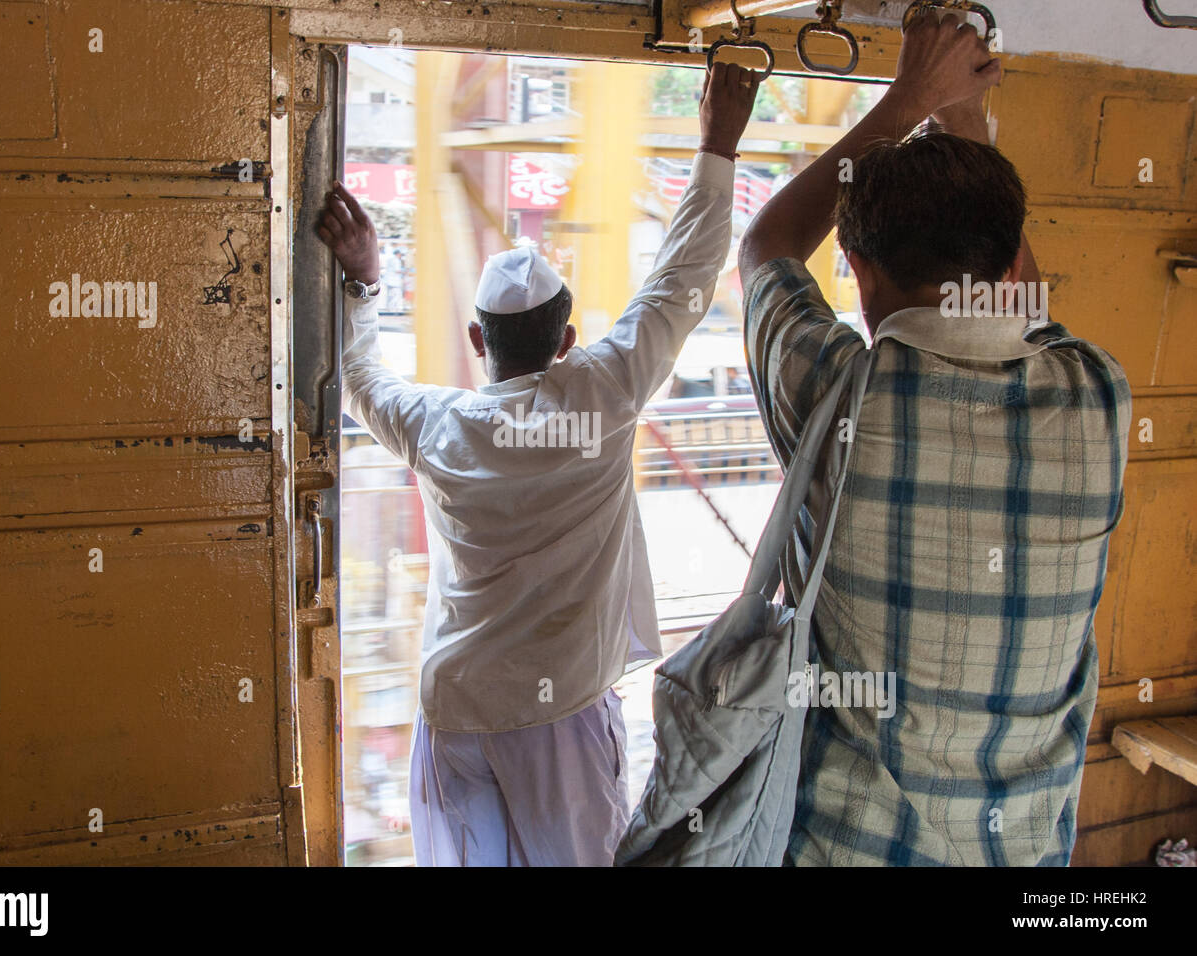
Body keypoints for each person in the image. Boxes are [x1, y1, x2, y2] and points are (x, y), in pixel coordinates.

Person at [317, 61, 761, 866]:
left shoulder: (437, 425)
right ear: (567, 337)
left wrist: (363, 281)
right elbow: (683, 280)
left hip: (453, 708)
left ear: (479, 341)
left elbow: (359, 380)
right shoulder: (604, 390)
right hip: (556, 720)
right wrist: (717, 143)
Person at [737, 14, 1130, 866]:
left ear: (861, 271)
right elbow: (1021, 308)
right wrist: (964, 126)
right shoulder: (1097, 394)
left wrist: (910, 98)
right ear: (1006, 261)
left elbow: (766, 245)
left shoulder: (836, 394)